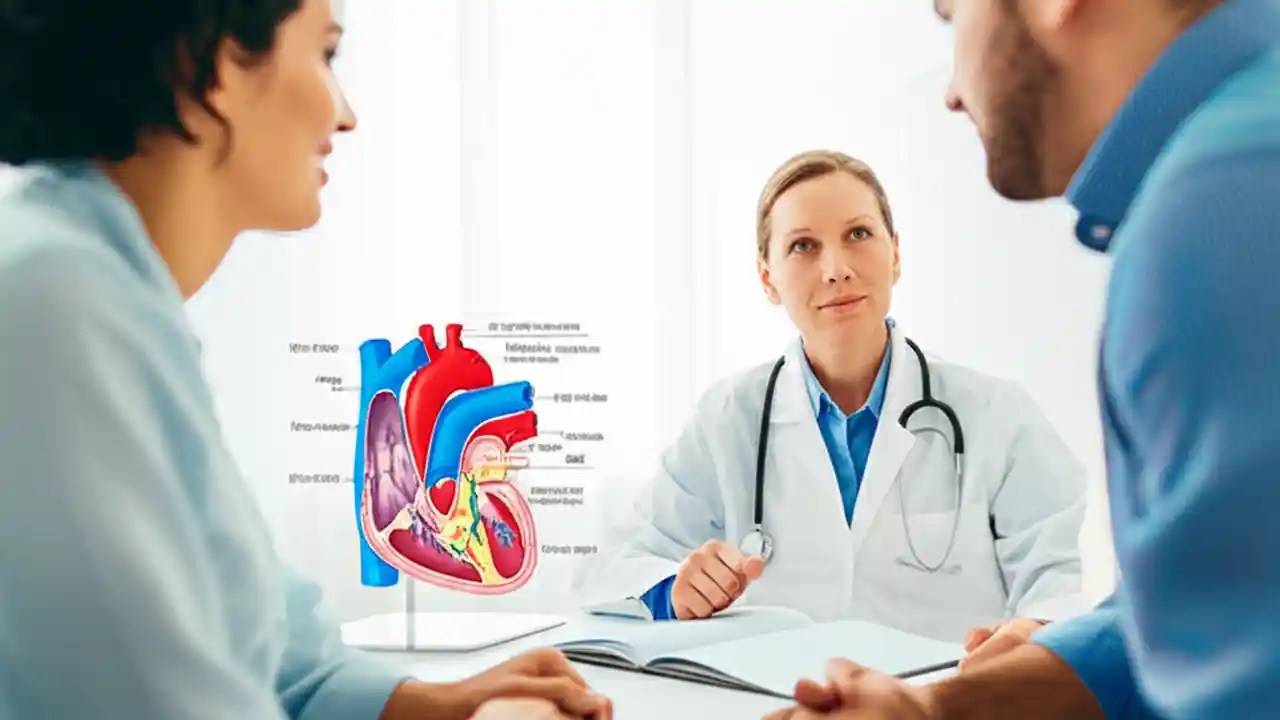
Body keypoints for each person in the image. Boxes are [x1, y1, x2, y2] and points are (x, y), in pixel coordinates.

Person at [0, 2, 611, 719]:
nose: (345, 115)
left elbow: (264, 640)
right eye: (325, 55)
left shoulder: (109, 297)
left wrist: (426, 705)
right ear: (216, 66)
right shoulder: (52, 306)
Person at [766, 0, 1280, 717]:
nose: (950, 91)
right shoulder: (1240, 148)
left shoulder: (1220, 206)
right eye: (802, 247)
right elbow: (1208, 609)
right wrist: (937, 708)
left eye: (952, 17)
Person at [575, 149, 1090, 646]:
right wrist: (676, 589)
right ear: (767, 277)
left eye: (858, 234)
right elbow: (614, 564)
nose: (836, 269)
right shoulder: (728, 419)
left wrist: (1037, 628)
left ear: (896, 254)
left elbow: (1061, 584)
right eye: (803, 245)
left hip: (939, 705)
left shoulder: (995, 414)